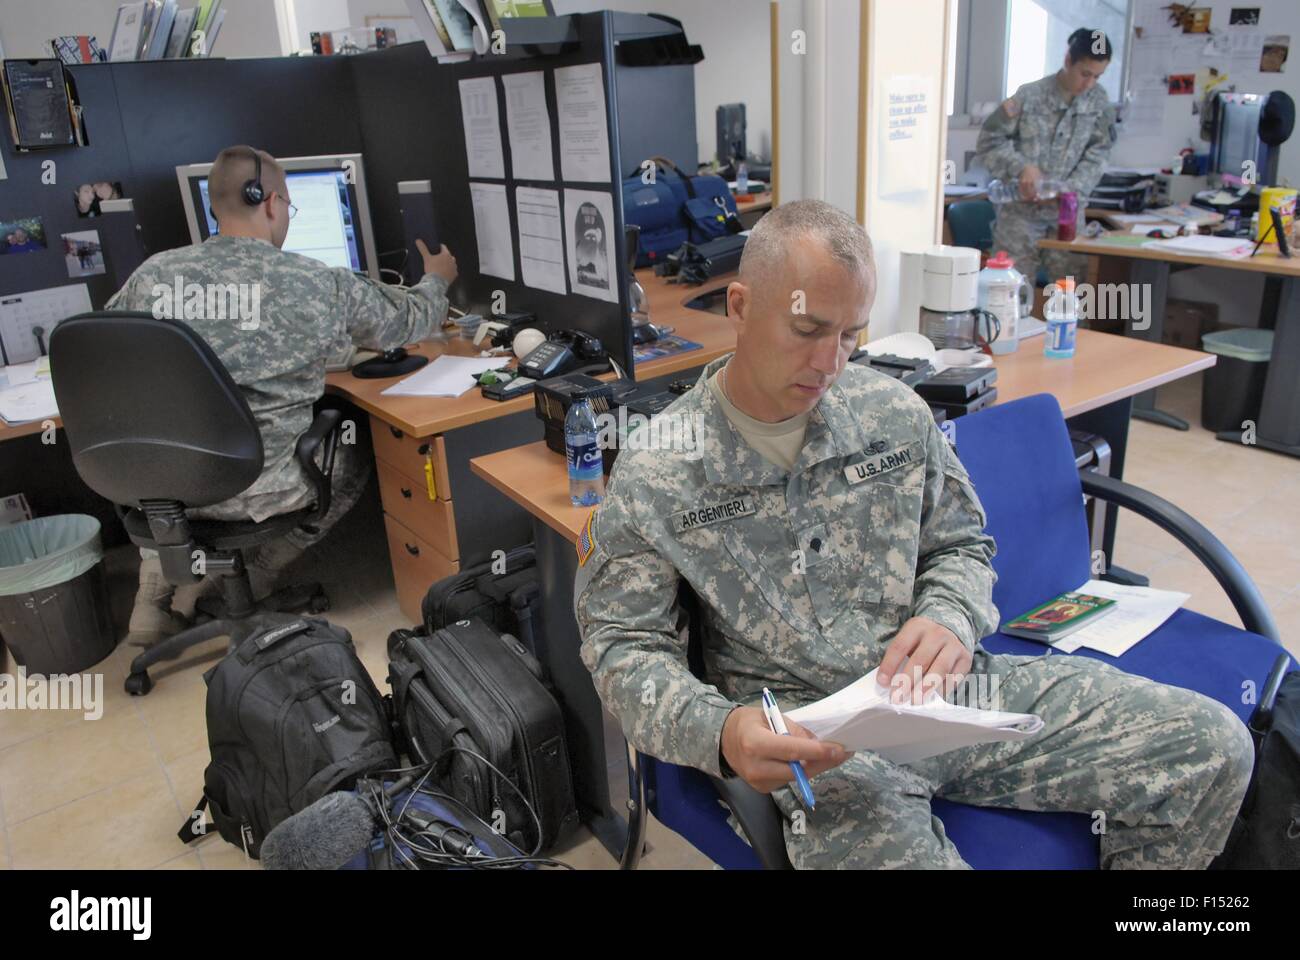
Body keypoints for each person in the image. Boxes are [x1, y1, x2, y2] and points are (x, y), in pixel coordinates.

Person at [574, 199, 1253, 869]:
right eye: (808, 329)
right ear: (741, 307)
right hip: (818, 746)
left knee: (1214, 747)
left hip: (947, 699)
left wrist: (950, 618)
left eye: (850, 335)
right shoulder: (663, 463)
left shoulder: (892, 414)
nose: (830, 362)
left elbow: (962, 545)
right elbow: (622, 648)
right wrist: (719, 731)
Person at [107, 145, 458, 644]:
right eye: (289, 206)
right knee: (354, 448)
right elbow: (408, 323)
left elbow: (99, 342)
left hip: (163, 487)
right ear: (270, 202)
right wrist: (436, 281)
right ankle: (261, 570)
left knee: (164, 449)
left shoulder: (152, 276)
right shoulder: (311, 281)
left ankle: (154, 592)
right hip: (263, 485)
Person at [976, 28, 1118, 284]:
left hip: (1067, 215)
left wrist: (1071, 189)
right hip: (1020, 214)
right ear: (1067, 61)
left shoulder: (1099, 102)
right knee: (1009, 292)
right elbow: (989, 141)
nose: (1089, 84)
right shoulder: (1029, 96)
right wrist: (1021, 168)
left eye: (1098, 76)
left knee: (1072, 295)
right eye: (1085, 74)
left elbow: (1100, 152)